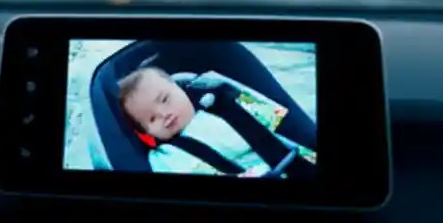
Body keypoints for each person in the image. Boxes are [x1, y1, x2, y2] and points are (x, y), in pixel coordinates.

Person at [117, 64, 316, 177]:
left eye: (165, 99)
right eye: (151, 118)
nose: (163, 114)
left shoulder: (222, 97)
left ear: (180, 88)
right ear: (146, 132)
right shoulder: (165, 157)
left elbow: (277, 119)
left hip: (297, 160)